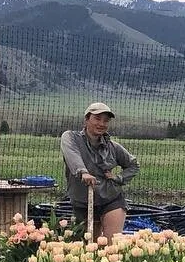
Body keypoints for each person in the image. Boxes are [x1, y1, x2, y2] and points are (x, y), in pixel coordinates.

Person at [60, 102, 139, 240]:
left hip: (110, 198)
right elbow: (73, 156)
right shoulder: (70, 138)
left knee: (111, 244)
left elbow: (133, 165)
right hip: (83, 200)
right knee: (88, 244)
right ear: (86, 119)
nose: (101, 124)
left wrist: (118, 178)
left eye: (105, 121)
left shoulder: (113, 147)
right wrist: (83, 172)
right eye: (97, 119)